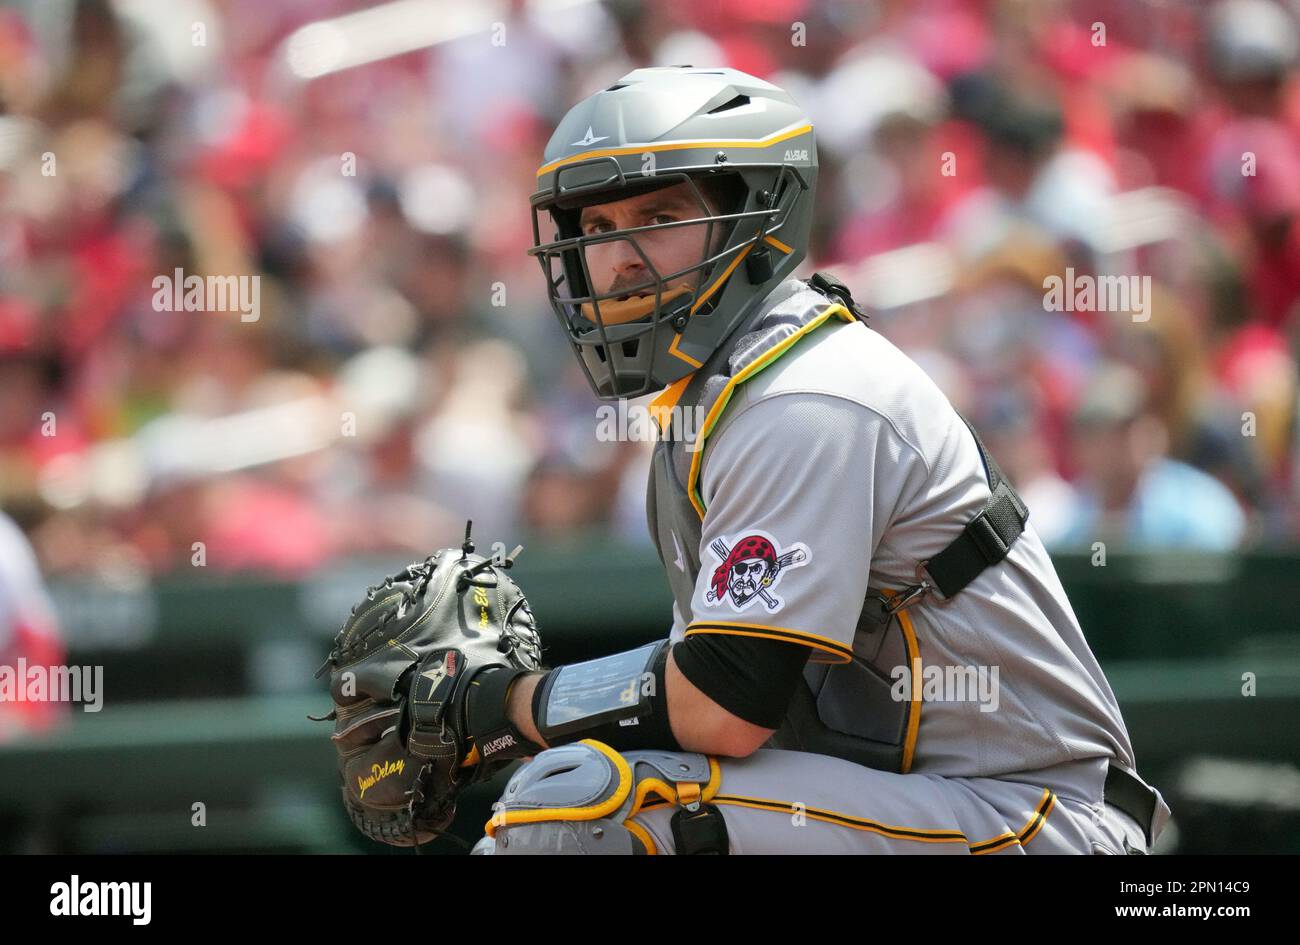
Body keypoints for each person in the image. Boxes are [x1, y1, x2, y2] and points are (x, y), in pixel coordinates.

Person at [469, 66, 1170, 855]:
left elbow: (725, 701)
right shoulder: (708, 404)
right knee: (551, 799)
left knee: (591, 807)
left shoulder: (805, 394)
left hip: (1036, 817)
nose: (619, 258)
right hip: (921, 805)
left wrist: (505, 704)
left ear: (753, 218)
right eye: (596, 227)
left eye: (657, 215)